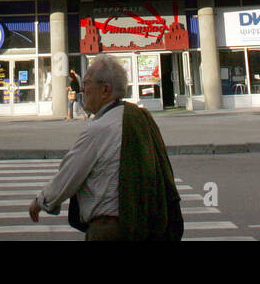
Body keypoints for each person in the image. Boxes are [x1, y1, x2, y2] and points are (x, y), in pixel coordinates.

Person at [27, 54, 182, 241]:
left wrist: (40, 202)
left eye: (87, 83)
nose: (83, 89)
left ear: (105, 90)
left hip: (110, 230)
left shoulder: (100, 128)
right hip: (140, 226)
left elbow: (69, 174)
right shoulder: (133, 116)